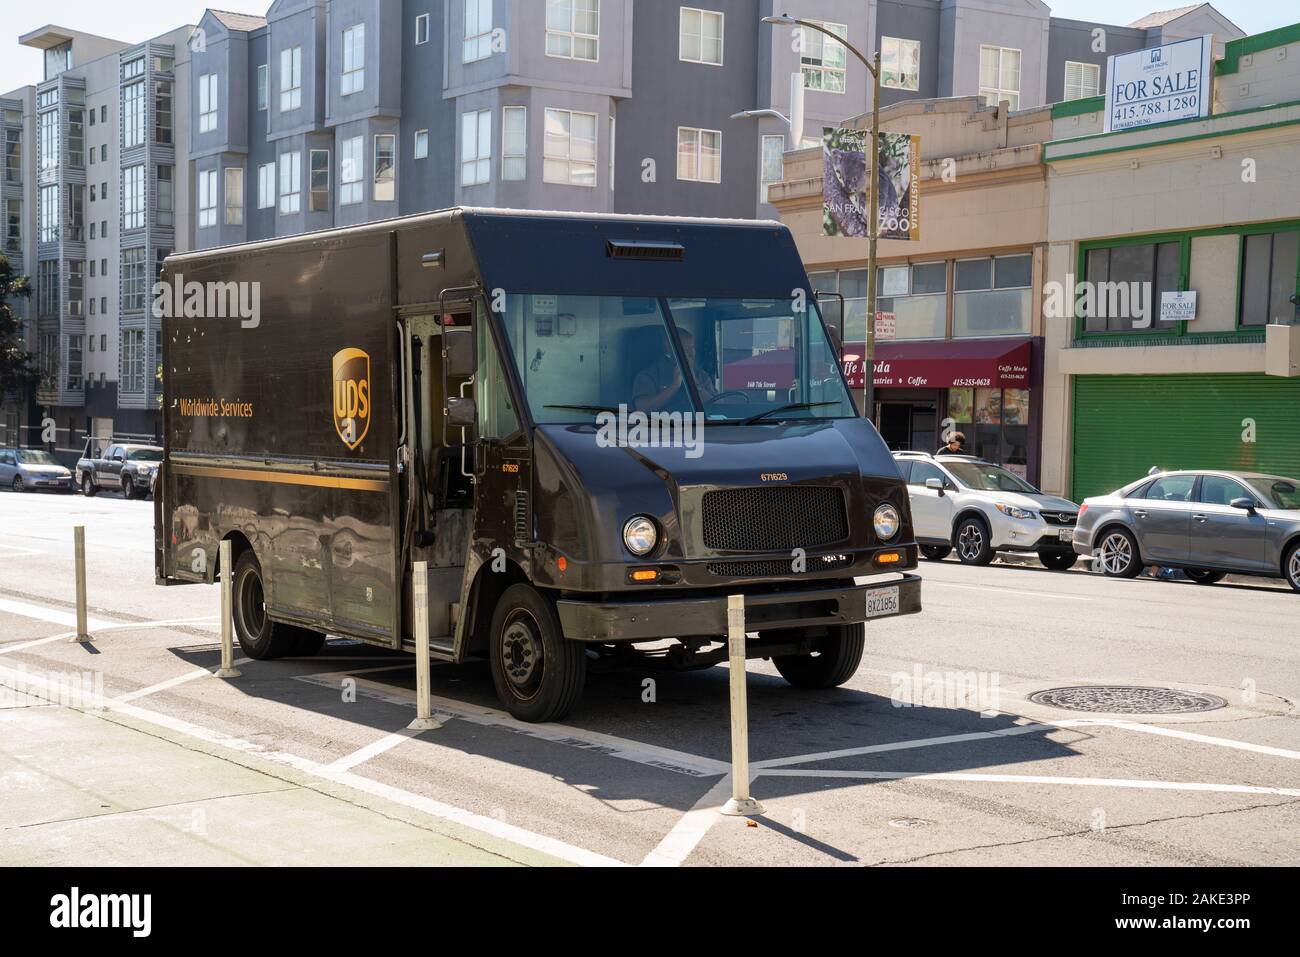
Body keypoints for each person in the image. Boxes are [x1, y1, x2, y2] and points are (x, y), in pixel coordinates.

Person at [632, 328, 715, 413]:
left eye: (692, 348)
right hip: (664, 425)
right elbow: (643, 409)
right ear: (668, 349)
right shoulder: (648, 375)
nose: (690, 353)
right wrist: (674, 386)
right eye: (685, 349)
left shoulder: (701, 375)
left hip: (699, 424)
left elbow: (716, 407)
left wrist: (693, 381)